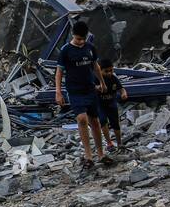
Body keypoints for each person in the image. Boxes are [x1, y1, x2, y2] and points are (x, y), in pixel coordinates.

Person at [54, 19, 111, 167]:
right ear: (73, 35)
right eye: (78, 39)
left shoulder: (90, 48)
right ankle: (88, 156)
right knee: (81, 119)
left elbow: (96, 66)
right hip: (75, 90)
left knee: (95, 121)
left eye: (83, 39)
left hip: (90, 89)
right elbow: (59, 72)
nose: (81, 42)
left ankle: (101, 153)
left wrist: (102, 82)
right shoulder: (66, 50)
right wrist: (58, 92)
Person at [97, 58, 127, 152]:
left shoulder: (113, 78)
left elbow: (121, 88)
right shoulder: (96, 78)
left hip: (111, 103)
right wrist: (98, 88)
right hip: (100, 104)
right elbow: (90, 87)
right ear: (100, 70)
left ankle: (119, 143)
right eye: (106, 71)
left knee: (115, 123)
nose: (109, 73)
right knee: (103, 121)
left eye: (111, 70)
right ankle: (109, 143)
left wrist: (123, 93)